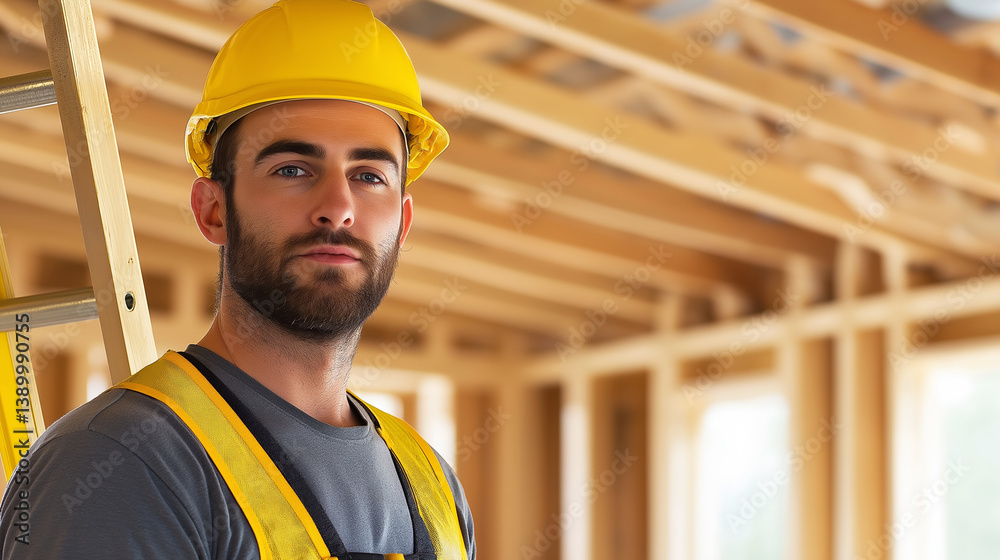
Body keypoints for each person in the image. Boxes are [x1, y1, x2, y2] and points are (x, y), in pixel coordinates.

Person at [0, 0, 475, 558]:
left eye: (369, 176)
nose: (338, 207)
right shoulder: (120, 463)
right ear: (213, 211)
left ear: (404, 223)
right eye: (293, 169)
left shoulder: (435, 487)